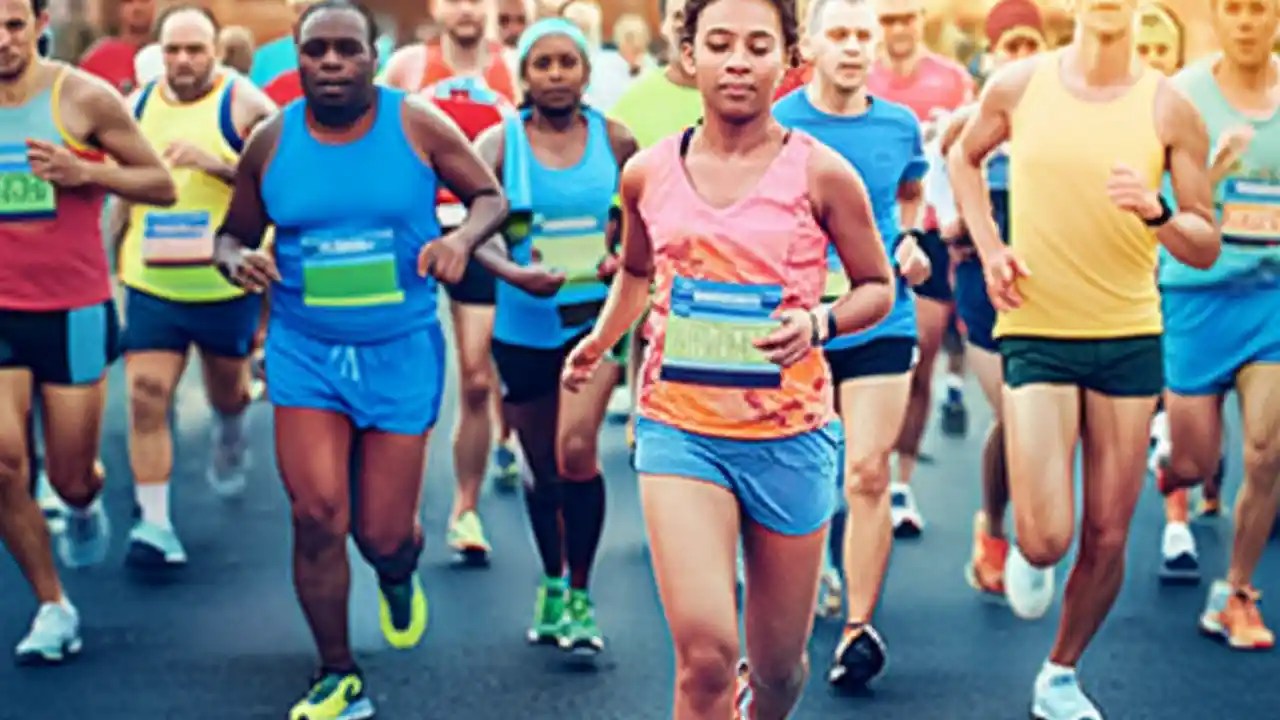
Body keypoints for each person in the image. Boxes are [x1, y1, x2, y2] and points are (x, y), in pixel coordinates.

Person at [562, 0, 894, 715]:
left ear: (787, 59)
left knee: (778, 671)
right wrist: (600, 336)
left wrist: (819, 320)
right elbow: (637, 275)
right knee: (707, 657)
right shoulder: (648, 173)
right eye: (718, 43)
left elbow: (877, 287)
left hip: (790, 435)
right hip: (679, 428)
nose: (737, 60)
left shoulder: (824, 175)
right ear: (690, 56)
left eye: (756, 45)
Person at [213, 2, 508, 716]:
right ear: (298, 55)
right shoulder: (271, 140)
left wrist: (460, 242)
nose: (334, 63)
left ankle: (397, 571)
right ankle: (336, 671)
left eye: (349, 49)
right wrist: (238, 261)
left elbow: (489, 197)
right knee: (316, 515)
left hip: (399, 352)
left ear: (375, 56)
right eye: (319, 51)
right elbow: (231, 234)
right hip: (304, 349)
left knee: (380, 532)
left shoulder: (415, 123)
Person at [948, 0, 1219, 716]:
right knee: (1046, 536)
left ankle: (1060, 672)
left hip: (1128, 331)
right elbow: (963, 157)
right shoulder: (1019, 86)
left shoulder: (1170, 108)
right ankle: (1028, 554)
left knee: (1106, 531)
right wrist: (989, 243)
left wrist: (1157, 211)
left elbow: (1205, 239)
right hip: (1037, 324)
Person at [2, 0, 176, 664]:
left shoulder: (83, 97)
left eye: (14, 23)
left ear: (40, 23)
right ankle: (53, 604)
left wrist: (87, 173)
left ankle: (80, 504)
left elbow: (158, 184)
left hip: (71, 308)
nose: (2, 39)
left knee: (72, 476)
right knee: (5, 464)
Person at [773, 0, 932, 688]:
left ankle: (858, 631)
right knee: (800, 474)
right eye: (838, 33)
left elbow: (911, 194)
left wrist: (913, 241)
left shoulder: (899, 125)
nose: (853, 47)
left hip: (878, 317)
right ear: (810, 42)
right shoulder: (778, 124)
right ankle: (802, 580)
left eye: (863, 36)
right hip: (796, 324)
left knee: (867, 471)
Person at [472, 16, 637, 656]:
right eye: (544, 64)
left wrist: (619, 261)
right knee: (542, 470)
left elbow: (641, 223)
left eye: (568, 62)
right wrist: (514, 271)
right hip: (523, 324)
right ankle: (549, 579)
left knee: (576, 452)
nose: (557, 75)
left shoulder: (617, 141)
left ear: (586, 71)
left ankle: (581, 592)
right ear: (525, 75)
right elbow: (471, 231)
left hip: (592, 323)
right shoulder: (498, 143)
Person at [114, 5, 277, 570]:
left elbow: (278, 180)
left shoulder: (245, 105)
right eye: (173, 50)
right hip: (153, 279)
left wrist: (215, 164)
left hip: (221, 284)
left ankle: (231, 432)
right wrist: (107, 257)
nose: (183, 61)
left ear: (216, 52)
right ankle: (155, 523)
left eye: (195, 50)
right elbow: (121, 189)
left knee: (227, 393)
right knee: (144, 395)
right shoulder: (134, 105)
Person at [1155, 0, 1280, 649]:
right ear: (1216, 18)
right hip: (1197, 293)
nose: (1247, 21)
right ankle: (1170, 471)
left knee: (1267, 451)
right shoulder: (1182, 95)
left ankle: (1235, 590)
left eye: (1259, 8)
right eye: (1234, 8)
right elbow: (1155, 200)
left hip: (1271, 294)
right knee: (1195, 457)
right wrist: (1217, 168)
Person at [383, 0, 522, 562]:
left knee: (475, 379)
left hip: (483, 233)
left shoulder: (513, 67)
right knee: (405, 378)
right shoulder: (409, 68)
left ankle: (465, 509)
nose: (467, 7)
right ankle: (400, 508)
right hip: (414, 237)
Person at [929, 0, 1047, 609]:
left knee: (1039, 420)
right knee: (1015, 413)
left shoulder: (1060, 119)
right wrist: (951, 219)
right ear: (991, 54)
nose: (1022, 59)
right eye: (1012, 47)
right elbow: (936, 178)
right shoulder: (967, 121)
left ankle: (1032, 531)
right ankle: (999, 532)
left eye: (1033, 46)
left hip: (1051, 284)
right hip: (981, 282)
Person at [869, 0, 976, 536]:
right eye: (887, 20)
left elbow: (974, 154)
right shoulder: (860, 74)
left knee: (919, 361)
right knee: (861, 362)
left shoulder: (953, 81)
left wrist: (964, 218)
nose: (898, 30)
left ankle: (900, 483)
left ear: (923, 19)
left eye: (906, 18)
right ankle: (860, 472)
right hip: (866, 233)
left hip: (930, 234)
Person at [78, 0, 156, 94]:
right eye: (127, 1)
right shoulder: (98, 59)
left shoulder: (169, 55)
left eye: (144, 1)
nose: (137, 8)